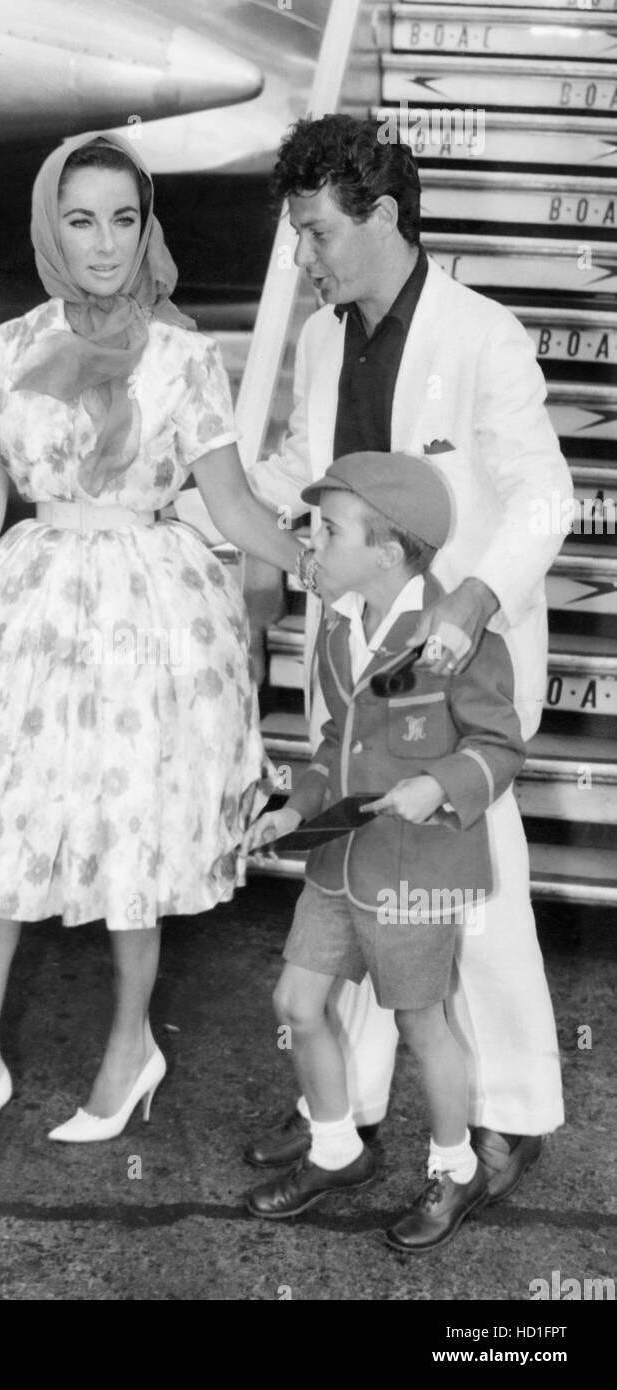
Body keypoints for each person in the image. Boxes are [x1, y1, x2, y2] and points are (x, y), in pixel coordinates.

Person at [0, 130, 307, 1169]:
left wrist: (325, 564)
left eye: (124, 217)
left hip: (151, 619)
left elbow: (230, 504)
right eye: (81, 218)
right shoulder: (6, 350)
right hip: (33, 611)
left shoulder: (183, 358)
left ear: (144, 223)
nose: (106, 242)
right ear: (49, 227)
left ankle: (128, 1051)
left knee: (133, 835)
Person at [244, 114, 569, 1201]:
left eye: (317, 233)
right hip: (352, 649)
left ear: (381, 217)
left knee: (474, 903)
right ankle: (345, 1112)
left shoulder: (484, 334)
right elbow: (300, 465)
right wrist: (203, 497)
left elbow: (542, 495)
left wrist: (472, 602)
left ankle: (503, 1113)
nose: (304, 256)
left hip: (454, 662)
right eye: (297, 235)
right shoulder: (319, 338)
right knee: (351, 875)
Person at [243, 451, 528, 1250]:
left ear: (387, 549)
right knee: (297, 1004)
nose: (312, 542)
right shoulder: (340, 627)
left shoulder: (455, 638)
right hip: (340, 859)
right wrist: (290, 807)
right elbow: (335, 741)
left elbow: (501, 748)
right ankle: (335, 1149)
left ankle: (454, 1167)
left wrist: (440, 784)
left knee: (422, 1025)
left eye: (328, 529)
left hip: (419, 872)